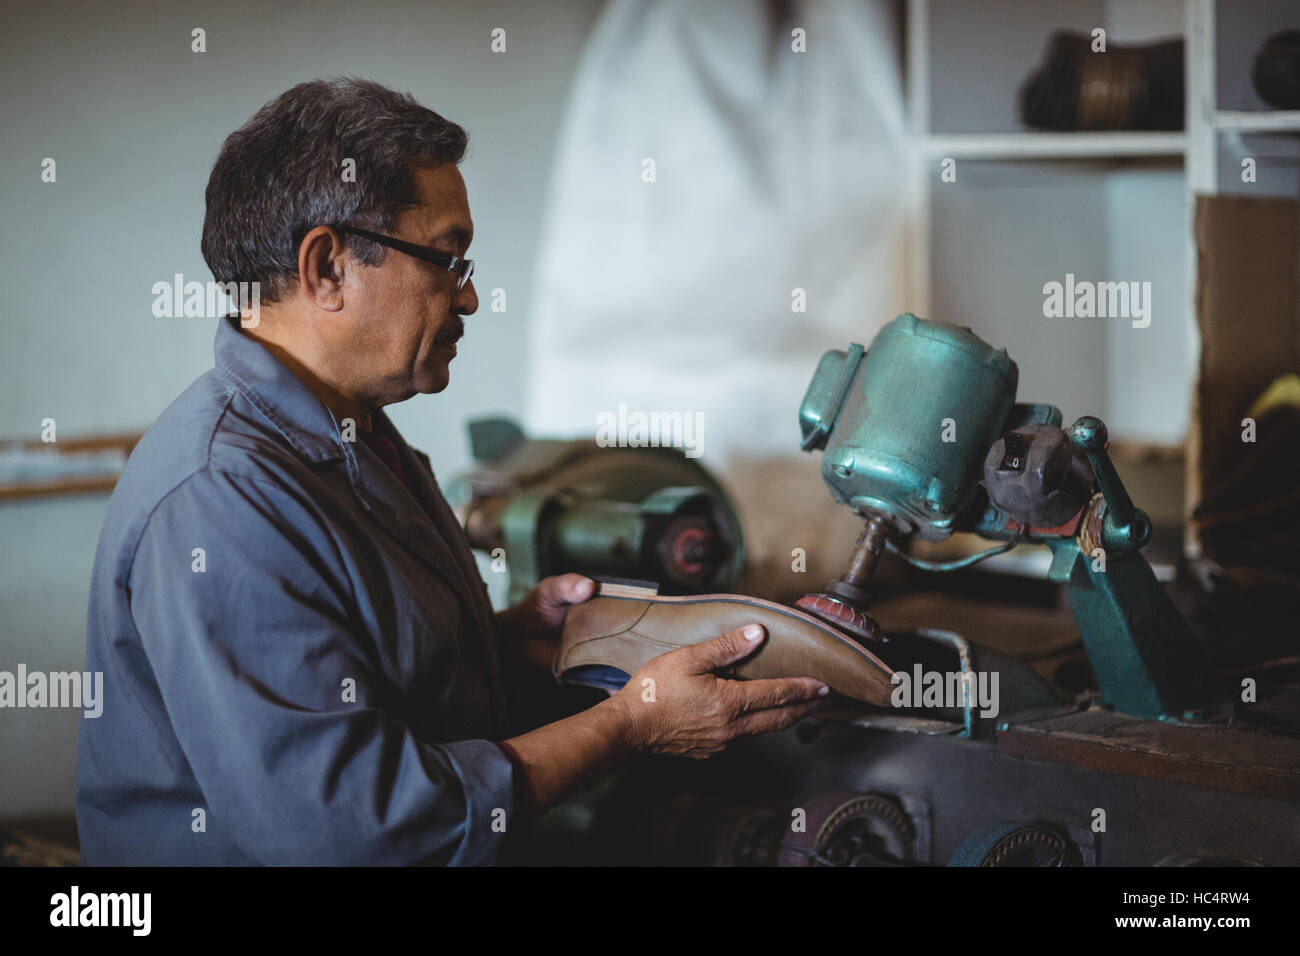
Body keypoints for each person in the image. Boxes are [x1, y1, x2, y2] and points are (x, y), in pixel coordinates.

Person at [76, 78, 828, 865]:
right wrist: (632, 723)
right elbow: (352, 826)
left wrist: (501, 644)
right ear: (326, 266)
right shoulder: (222, 498)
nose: (468, 296)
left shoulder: (354, 437)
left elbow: (365, 679)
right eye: (445, 258)